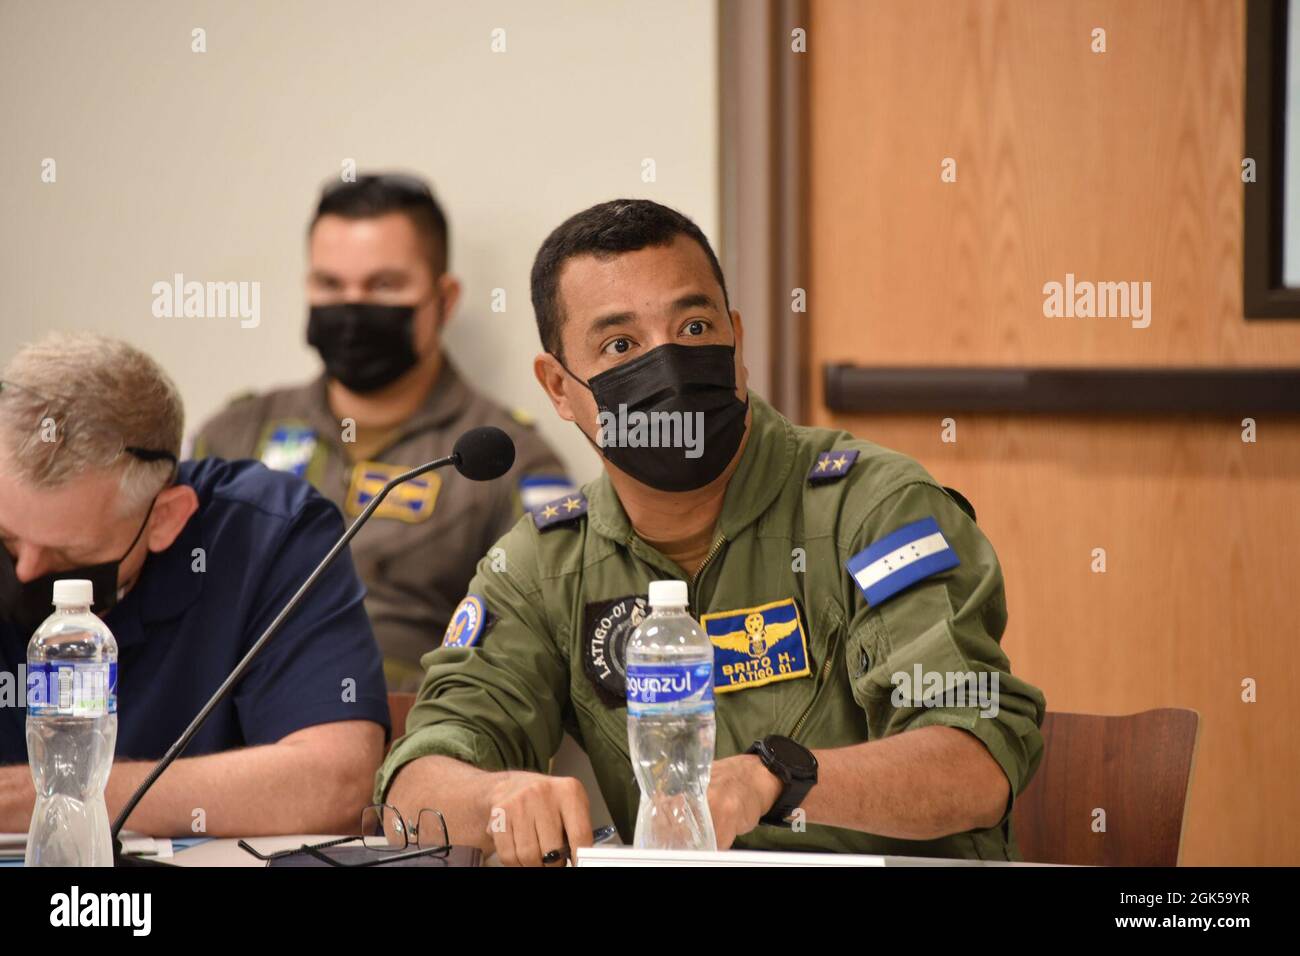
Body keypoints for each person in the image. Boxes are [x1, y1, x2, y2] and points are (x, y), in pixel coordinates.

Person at [375, 199, 1047, 866]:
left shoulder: (872, 509)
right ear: (558, 388)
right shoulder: (546, 563)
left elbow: (974, 759)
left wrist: (778, 779)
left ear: (736, 342)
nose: (667, 366)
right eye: (620, 345)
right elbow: (415, 783)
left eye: (694, 329)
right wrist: (497, 795)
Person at [0, 333, 389, 837]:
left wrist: (46, 797)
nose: (27, 570)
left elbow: (334, 783)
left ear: (165, 518)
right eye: (8, 540)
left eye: (70, 554)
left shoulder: (268, 537)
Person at [194, 173, 572, 690]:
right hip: (227, 739)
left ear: (444, 298)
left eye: (383, 285)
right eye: (330, 285)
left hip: (408, 744)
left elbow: (538, 661)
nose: (352, 306)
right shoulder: (234, 437)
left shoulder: (503, 459)